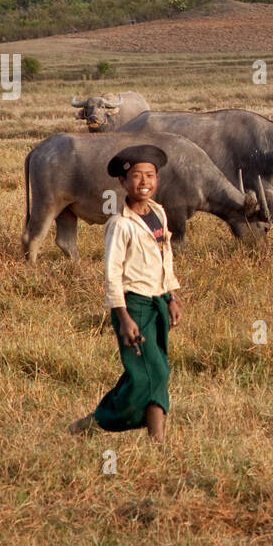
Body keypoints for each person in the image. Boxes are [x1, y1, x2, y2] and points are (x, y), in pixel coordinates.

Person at [68, 145, 182, 442]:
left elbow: (164, 255)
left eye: (150, 175)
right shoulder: (119, 224)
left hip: (157, 302)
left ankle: (156, 441)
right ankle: (97, 423)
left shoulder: (159, 212)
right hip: (133, 306)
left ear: (157, 178)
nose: (143, 182)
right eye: (135, 176)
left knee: (155, 370)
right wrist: (124, 317)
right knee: (150, 372)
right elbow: (111, 274)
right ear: (122, 182)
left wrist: (171, 295)